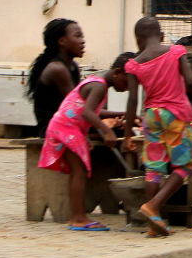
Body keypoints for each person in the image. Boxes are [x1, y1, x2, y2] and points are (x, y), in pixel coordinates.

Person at [122, 17, 192, 236]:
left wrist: (127, 134)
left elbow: (132, 101)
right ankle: (154, 205)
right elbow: (190, 82)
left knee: (154, 168)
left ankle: (154, 222)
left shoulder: (133, 64)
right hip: (176, 114)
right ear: (160, 35)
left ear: (138, 39)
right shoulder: (176, 51)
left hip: (151, 116)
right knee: (185, 166)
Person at [37, 51, 134, 231]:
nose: (128, 88)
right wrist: (107, 131)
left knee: (78, 172)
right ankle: (78, 218)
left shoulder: (98, 83)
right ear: (117, 73)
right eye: (127, 82)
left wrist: (124, 115)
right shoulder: (99, 86)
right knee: (79, 172)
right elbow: (87, 113)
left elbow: (92, 110)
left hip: (67, 127)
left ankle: (78, 216)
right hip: (67, 128)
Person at [26, 18, 85, 133]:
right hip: (53, 129)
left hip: (68, 123)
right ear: (62, 41)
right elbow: (77, 105)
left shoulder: (73, 66)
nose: (83, 41)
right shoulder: (57, 69)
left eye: (82, 36)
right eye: (78, 36)